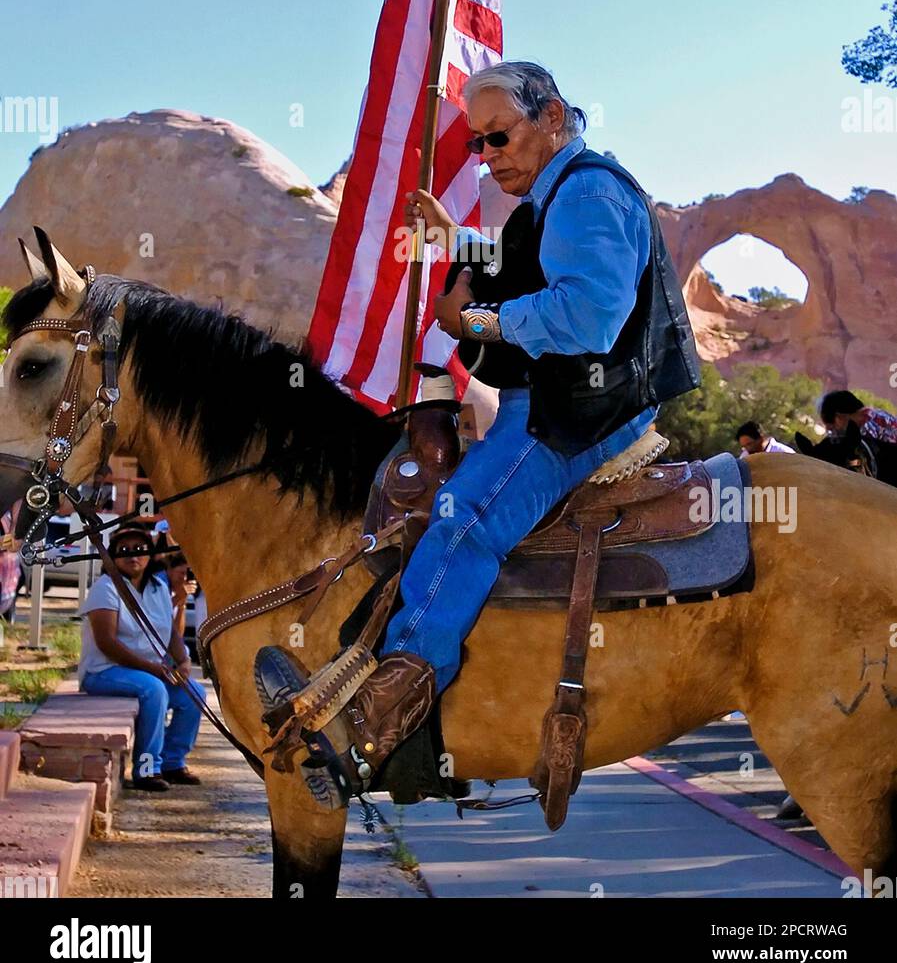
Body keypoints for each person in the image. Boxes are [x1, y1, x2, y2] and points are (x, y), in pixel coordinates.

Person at [256, 59, 701, 801]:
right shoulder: (561, 191)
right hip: (569, 397)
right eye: (476, 145)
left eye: (498, 137)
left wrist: (476, 320)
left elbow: (587, 315)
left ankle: (377, 721)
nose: (487, 156)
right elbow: (530, 266)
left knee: (463, 522)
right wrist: (459, 241)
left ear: (552, 117)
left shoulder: (586, 191)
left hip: (577, 411)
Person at [79, 525, 204, 791]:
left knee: (194, 692)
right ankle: (147, 770)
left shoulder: (159, 587)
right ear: (112, 556)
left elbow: (169, 632)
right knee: (154, 690)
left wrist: (182, 661)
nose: (132, 556)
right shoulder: (106, 588)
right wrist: (153, 669)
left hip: (148, 671)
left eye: (139, 550)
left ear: (150, 555)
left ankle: (173, 763)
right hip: (104, 671)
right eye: (124, 551)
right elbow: (107, 643)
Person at [819, 391, 897, 445]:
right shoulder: (873, 416)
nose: (833, 433)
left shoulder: (867, 425)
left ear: (838, 417)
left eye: (831, 429)